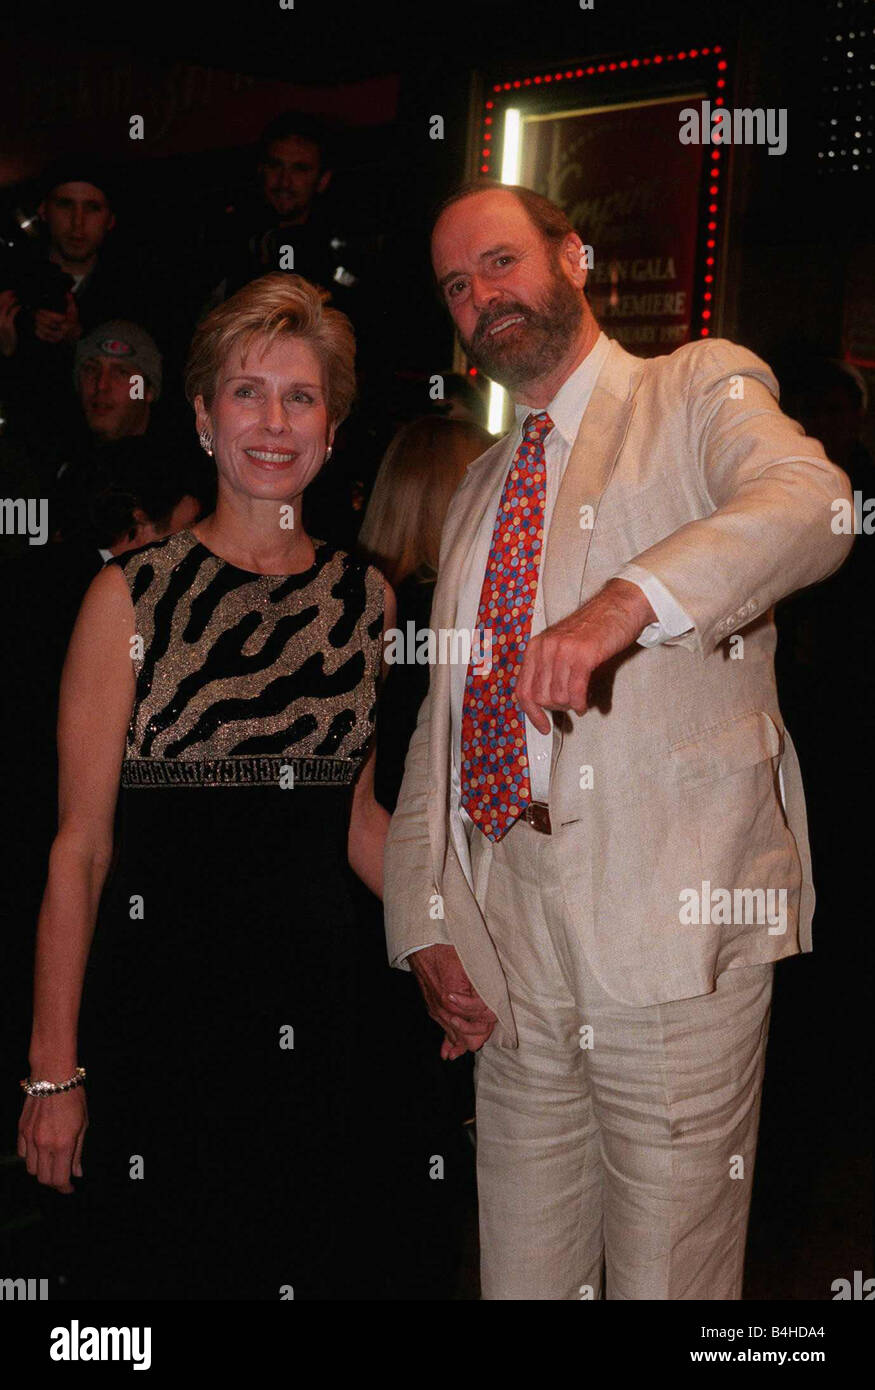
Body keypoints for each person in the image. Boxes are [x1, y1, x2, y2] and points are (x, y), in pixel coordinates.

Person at [383, 180, 853, 1300]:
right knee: (523, 1279)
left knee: (666, 1283)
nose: (479, 297)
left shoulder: (695, 387)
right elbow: (439, 729)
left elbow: (814, 504)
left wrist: (625, 600)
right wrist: (427, 918)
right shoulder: (479, 484)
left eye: (499, 262)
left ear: (575, 257)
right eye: (455, 284)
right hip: (512, 937)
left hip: (670, 934)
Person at [17, 272, 397, 1300]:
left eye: (300, 397)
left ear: (331, 426)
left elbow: (361, 824)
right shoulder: (130, 593)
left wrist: (458, 942)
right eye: (246, 392)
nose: (272, 423)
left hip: (320, 1023)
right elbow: (79, 849)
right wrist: (54, 1070)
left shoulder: (365, 598)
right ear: (199, 415)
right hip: (158, 1028)